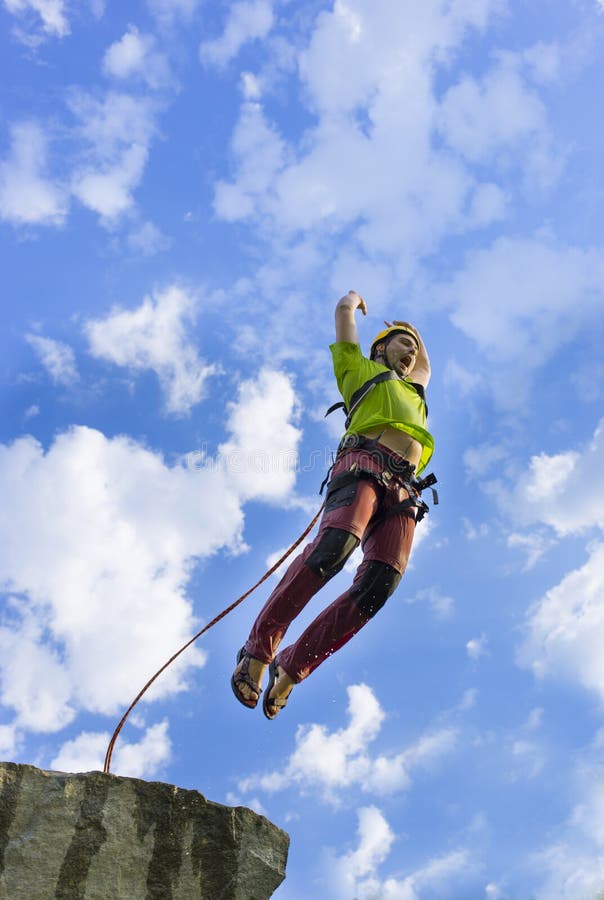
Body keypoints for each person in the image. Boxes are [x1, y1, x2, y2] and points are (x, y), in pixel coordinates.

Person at [231, 289, 434, 719]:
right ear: (381, 348)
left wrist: (416, 337)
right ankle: (258, 648)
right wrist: (351, 301)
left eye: (414, 350)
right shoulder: (356, 368)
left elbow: (426, 368)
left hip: (404, 492)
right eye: (403, 344)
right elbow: (343, 318)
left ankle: (292, 666)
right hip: (364, 464)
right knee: (333, 549)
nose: (411, 354)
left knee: (380, 585)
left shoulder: (415, 392)